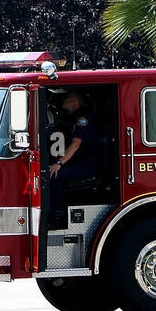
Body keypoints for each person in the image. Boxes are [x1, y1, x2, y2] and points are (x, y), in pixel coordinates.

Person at [49, 92, 100, 220]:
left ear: (74, 100)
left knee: (53, 175)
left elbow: (76, 143)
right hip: (78, 162)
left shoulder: (82, 118)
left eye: (66, 98)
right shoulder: (72, 117)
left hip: (86, 165)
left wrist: (59, 164)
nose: (63, 101)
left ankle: (52, 216)